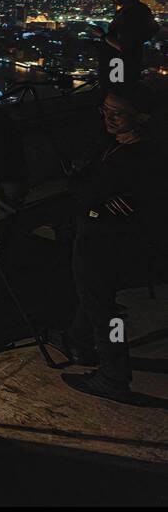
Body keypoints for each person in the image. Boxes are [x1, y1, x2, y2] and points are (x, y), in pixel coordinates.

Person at [60, 85, 164, 403]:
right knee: (94, 298)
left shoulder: (141, 157)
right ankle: (81, 344)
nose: (109, 118)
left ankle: (113, 376)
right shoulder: (111, 144)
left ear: (140, 117)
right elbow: (89, 189)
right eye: (105, 110)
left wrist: (93, 199)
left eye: (118, 113)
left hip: (105, 239)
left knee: (102, 308)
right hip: (97, 233)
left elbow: (106, 198)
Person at [94, 0, 158, 91]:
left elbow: (124, 46)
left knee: (115, 94)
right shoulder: (137, 10)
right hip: (121, 65)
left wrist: (102, 35)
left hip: (119, 66)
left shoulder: (131, 13)